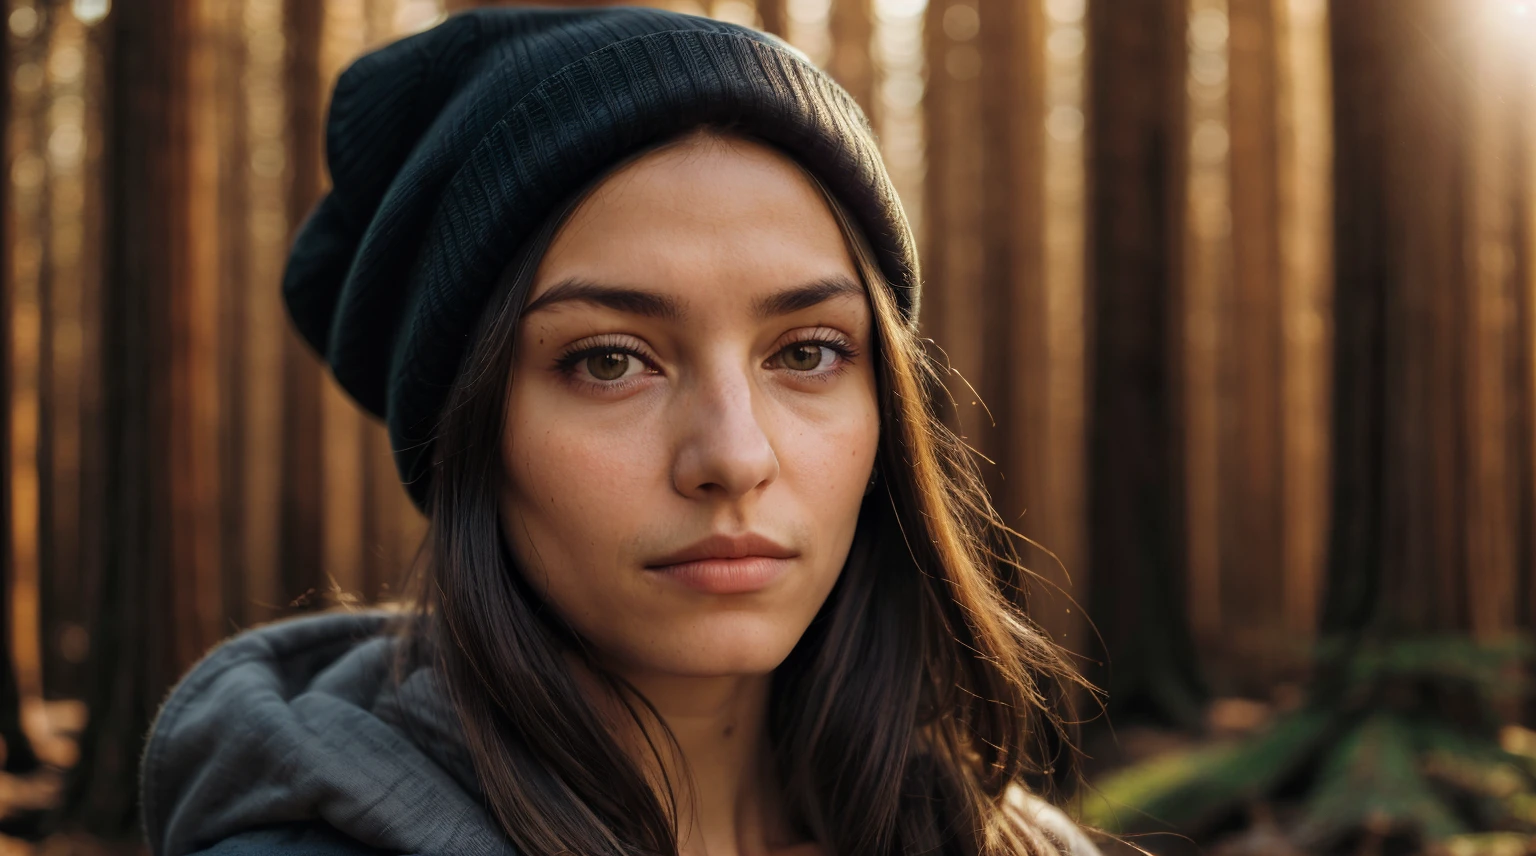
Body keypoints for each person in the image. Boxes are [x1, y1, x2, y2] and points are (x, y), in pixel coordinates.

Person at [139, 7, 1100, 856]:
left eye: (806, 352)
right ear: (467, 432)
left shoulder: (1018, 844)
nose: (734, 457)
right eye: (609, 360)